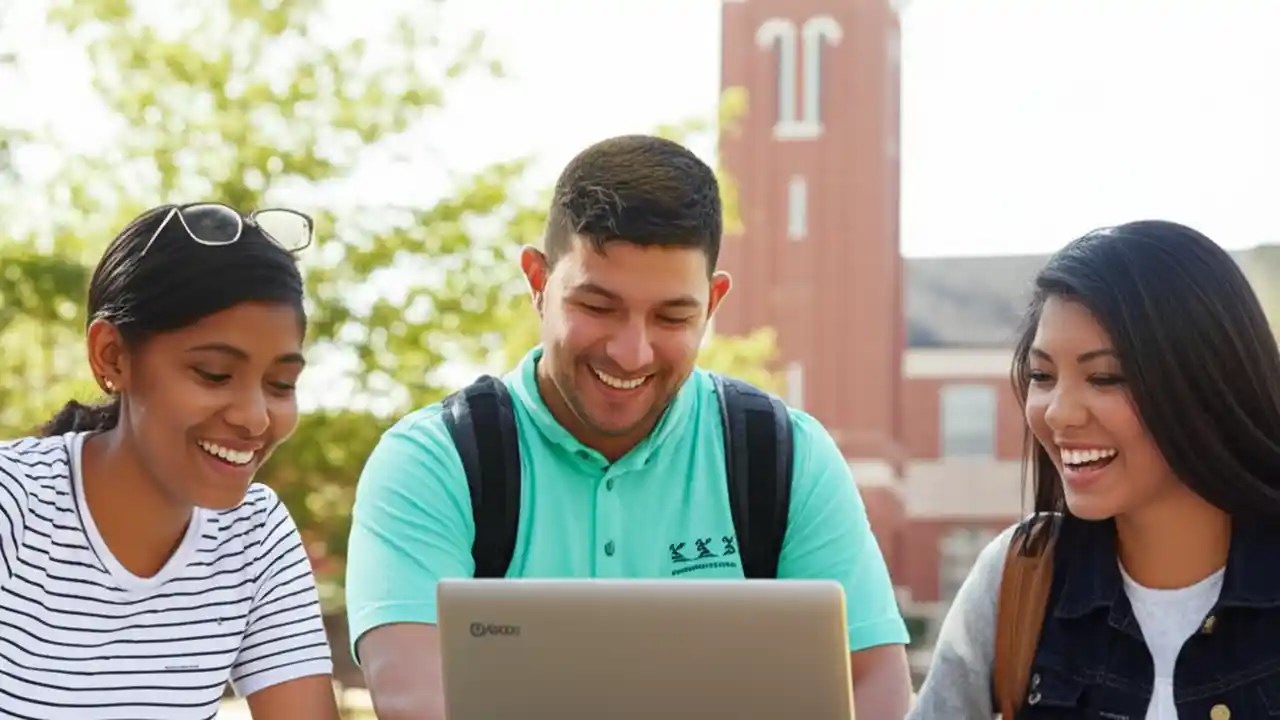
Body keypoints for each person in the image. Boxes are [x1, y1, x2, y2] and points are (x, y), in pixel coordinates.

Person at [345, 134, 913, 719]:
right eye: (597, 308)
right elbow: (415, 700)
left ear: (713, 304)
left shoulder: (787, 458)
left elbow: (872, 685)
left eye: (672, 316)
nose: (631, 352)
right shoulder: (432, 462)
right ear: (538, 282)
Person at [908, 220, 1280, 719]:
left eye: (1104, 377)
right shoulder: (1020, 576)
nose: (1059, 413)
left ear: (1207, 383)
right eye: (1042, 376)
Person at [0, 203, 340, 719]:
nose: (254, 418)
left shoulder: (256, 531)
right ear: (112, 356)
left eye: (280, 385)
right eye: (214, 374)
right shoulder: (14, 504)